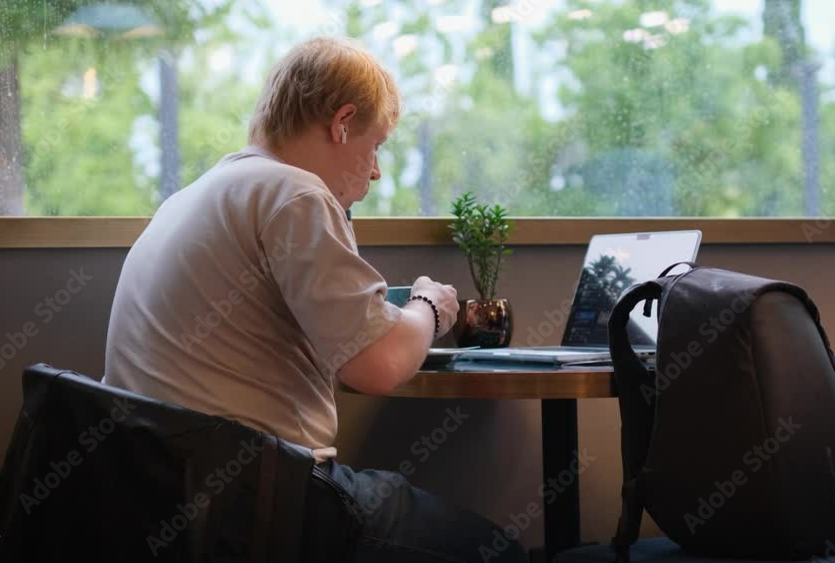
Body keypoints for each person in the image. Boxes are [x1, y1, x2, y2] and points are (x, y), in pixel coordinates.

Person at [102, 36, 529, 563]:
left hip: (166, 496)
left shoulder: (193, 197)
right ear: (342, 121)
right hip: (264, 501)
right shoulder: (295, 193)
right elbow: (375, 367)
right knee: (502, 552)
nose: (375, 171)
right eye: (376, 146)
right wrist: (430, 306)